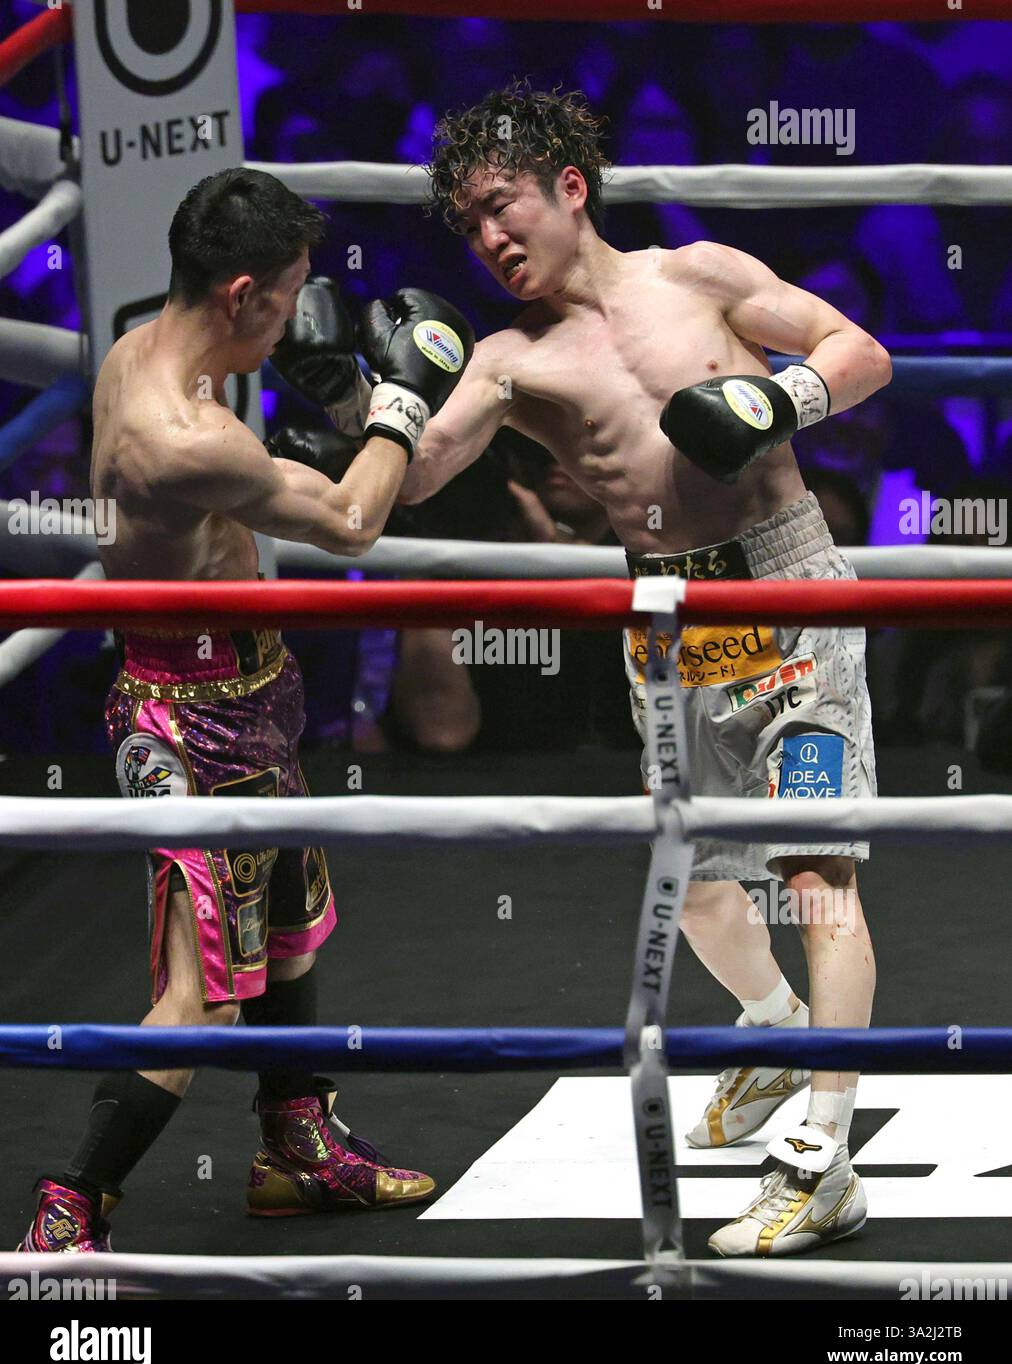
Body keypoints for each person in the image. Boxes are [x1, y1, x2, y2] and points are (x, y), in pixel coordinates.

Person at [399, 81, 891, 1257]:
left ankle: (824, 1156)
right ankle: (773, 1028)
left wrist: (777, 394)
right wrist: (360, 399)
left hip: (784, 589)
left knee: (816, 870)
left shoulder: (699, 276)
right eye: (469, 224)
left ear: (571, 186)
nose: (490, 239)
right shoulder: (507, 358)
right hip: (666, 622)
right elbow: (410, 480)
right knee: (705, 883)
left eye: (502, 205)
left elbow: (858, 351)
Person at [19, 167, 473, 1253]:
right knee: (200, 994)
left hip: (256, 690)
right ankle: (70, 1206)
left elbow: (269, 488)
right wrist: (399, 402)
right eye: (286, 298)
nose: (289, 317)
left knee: (290, 931)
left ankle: (296, 1146)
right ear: (238, 292)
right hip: (181, 717)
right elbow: (357, 523)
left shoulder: (153, 346)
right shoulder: (178, 433)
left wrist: (323, 396)